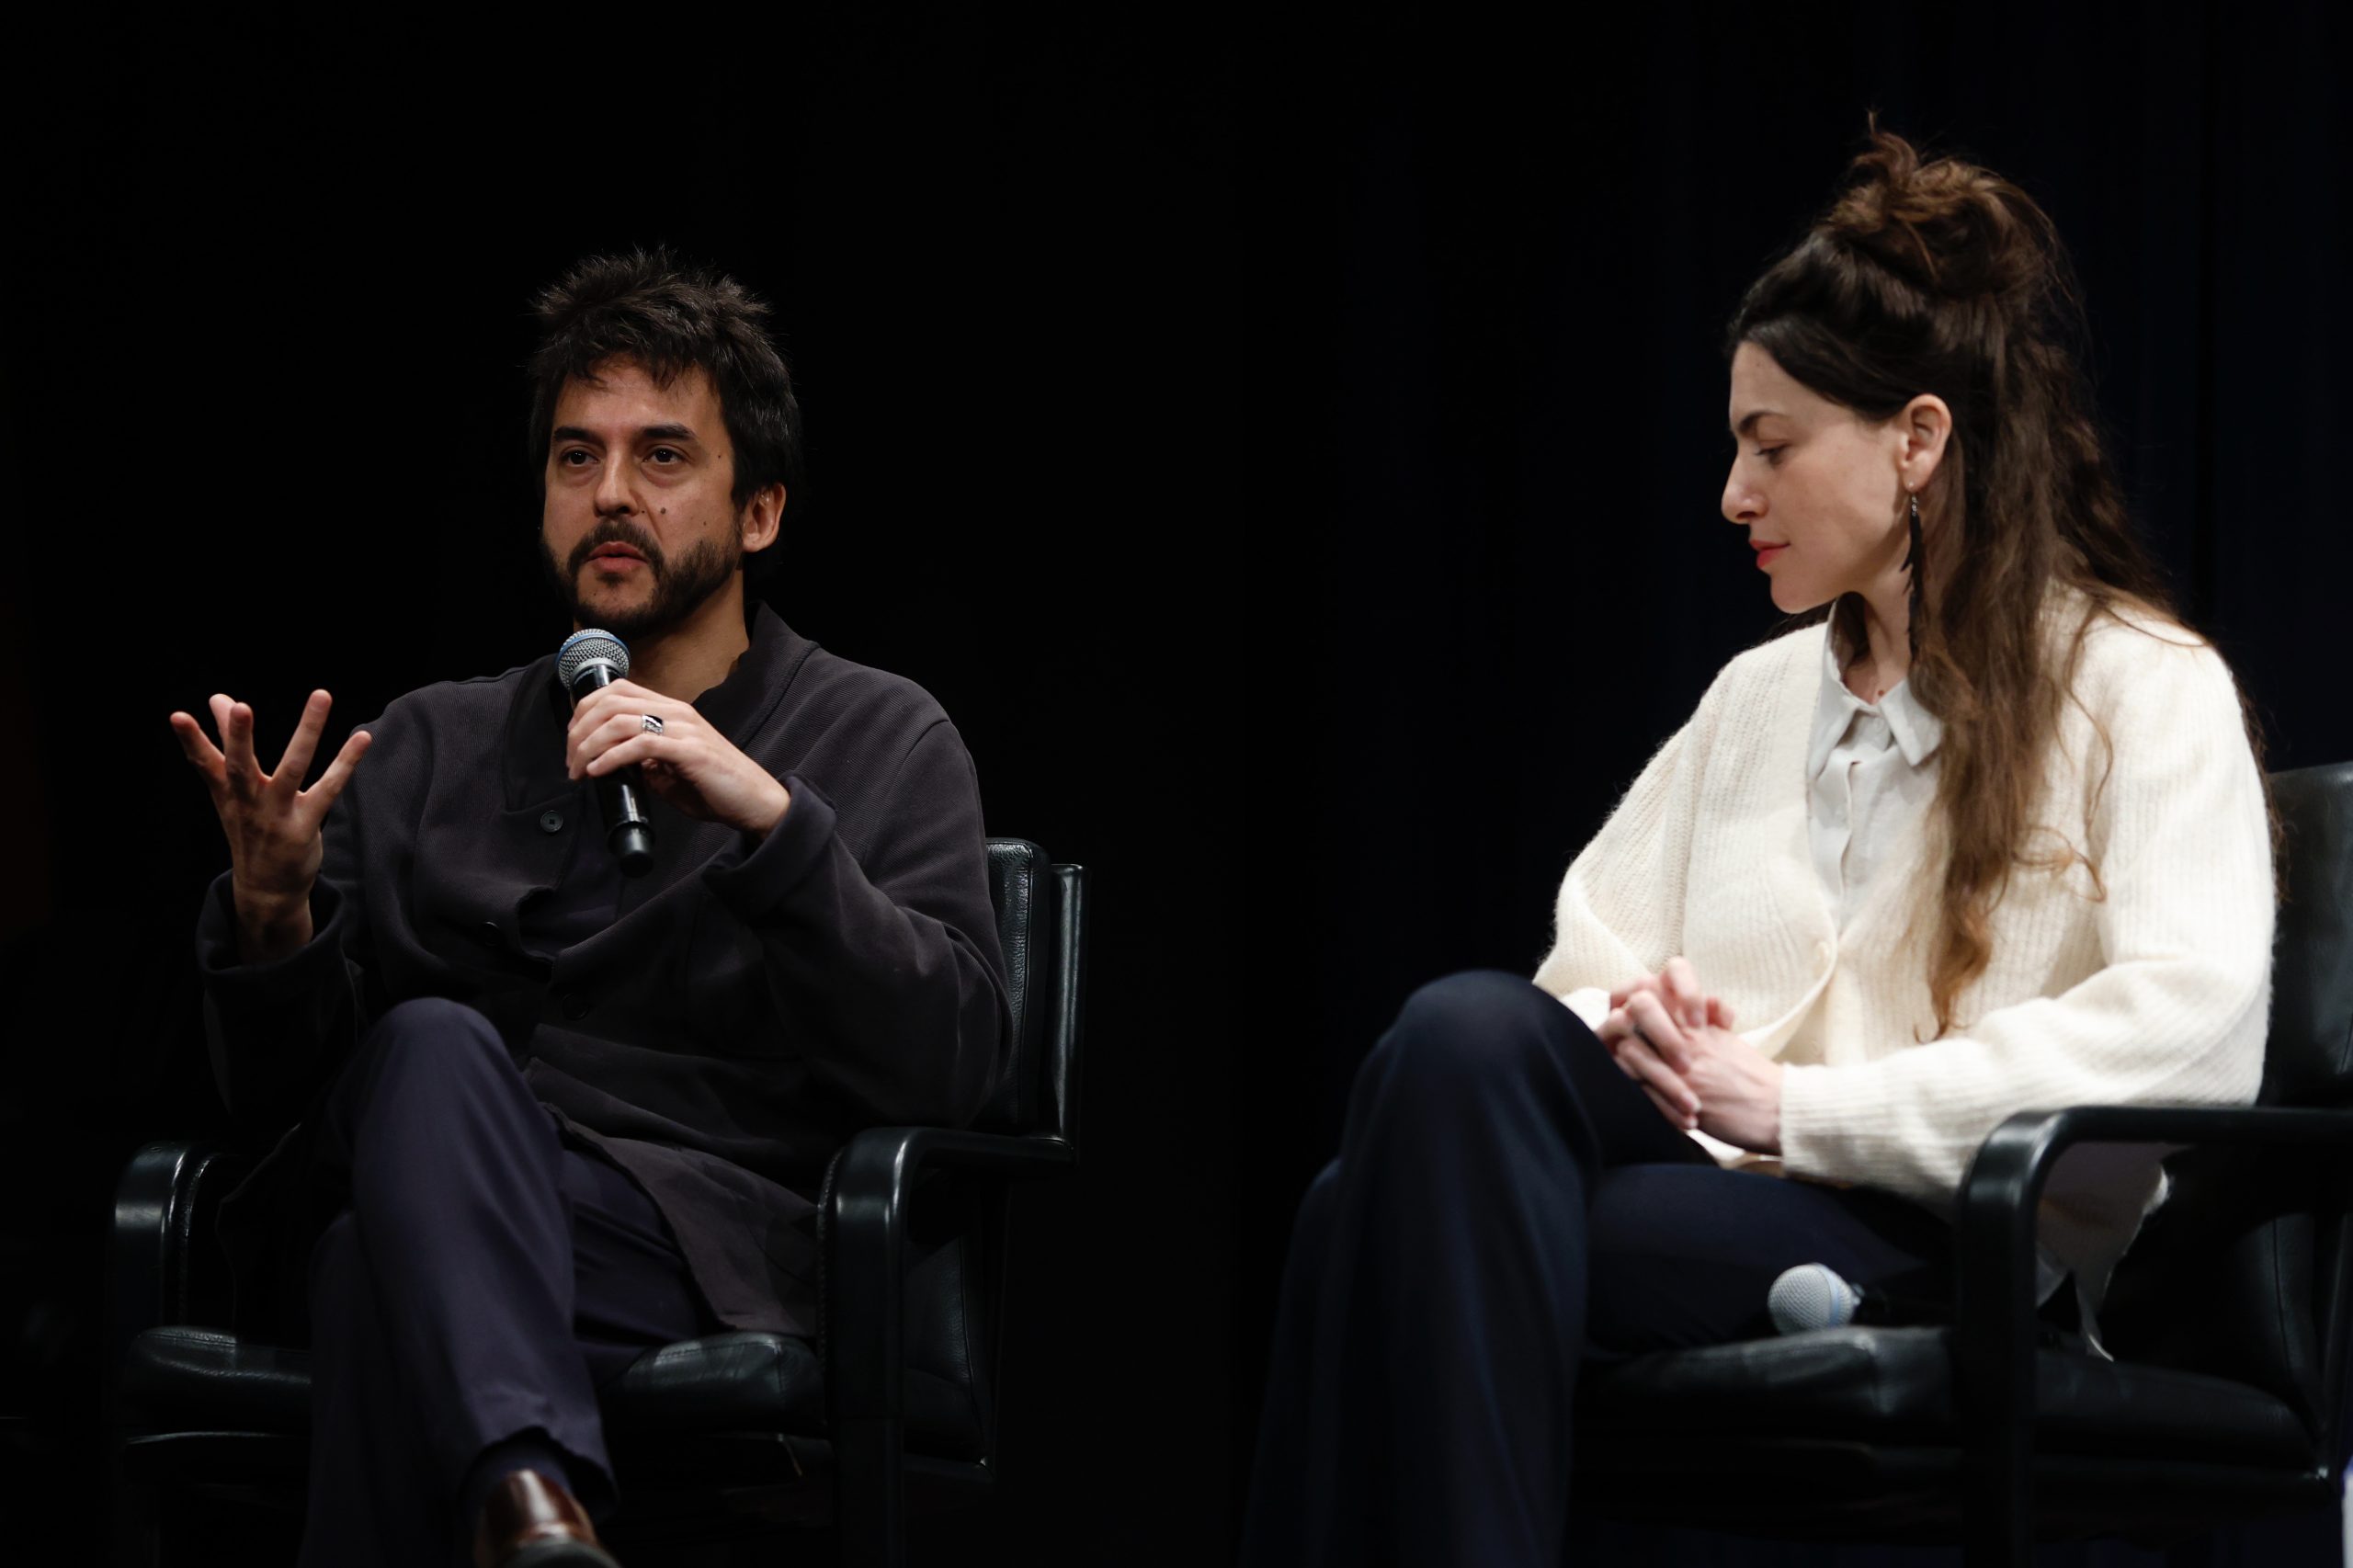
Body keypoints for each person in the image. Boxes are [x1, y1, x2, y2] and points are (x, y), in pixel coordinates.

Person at [1236, 120, 2280, 1567]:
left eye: (1771, 446)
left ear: (1918, 440)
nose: (1734, 494)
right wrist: (1644, 1032)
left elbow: (2190, 1033)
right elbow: (1575, 982)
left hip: (1947, 1247)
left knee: (1359, 1221)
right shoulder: (1754, 699)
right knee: (1462, 1037)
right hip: (1699, 1192)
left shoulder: (2139, 686)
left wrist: (1795, 1106)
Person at [167, 249, 1010, 1568]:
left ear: (760, 512)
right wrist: (273, 917)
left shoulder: (877, 733)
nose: (611, 494)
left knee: (365, 1280)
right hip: (442, 1190)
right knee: (432, 1060)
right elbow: (278, 1098)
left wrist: (773, 820)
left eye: (662, 457)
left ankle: (521, 1492)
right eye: (576, 457)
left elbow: (950, 1061)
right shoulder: (433, 742)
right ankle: (533, 1509)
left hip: (684, 1254)